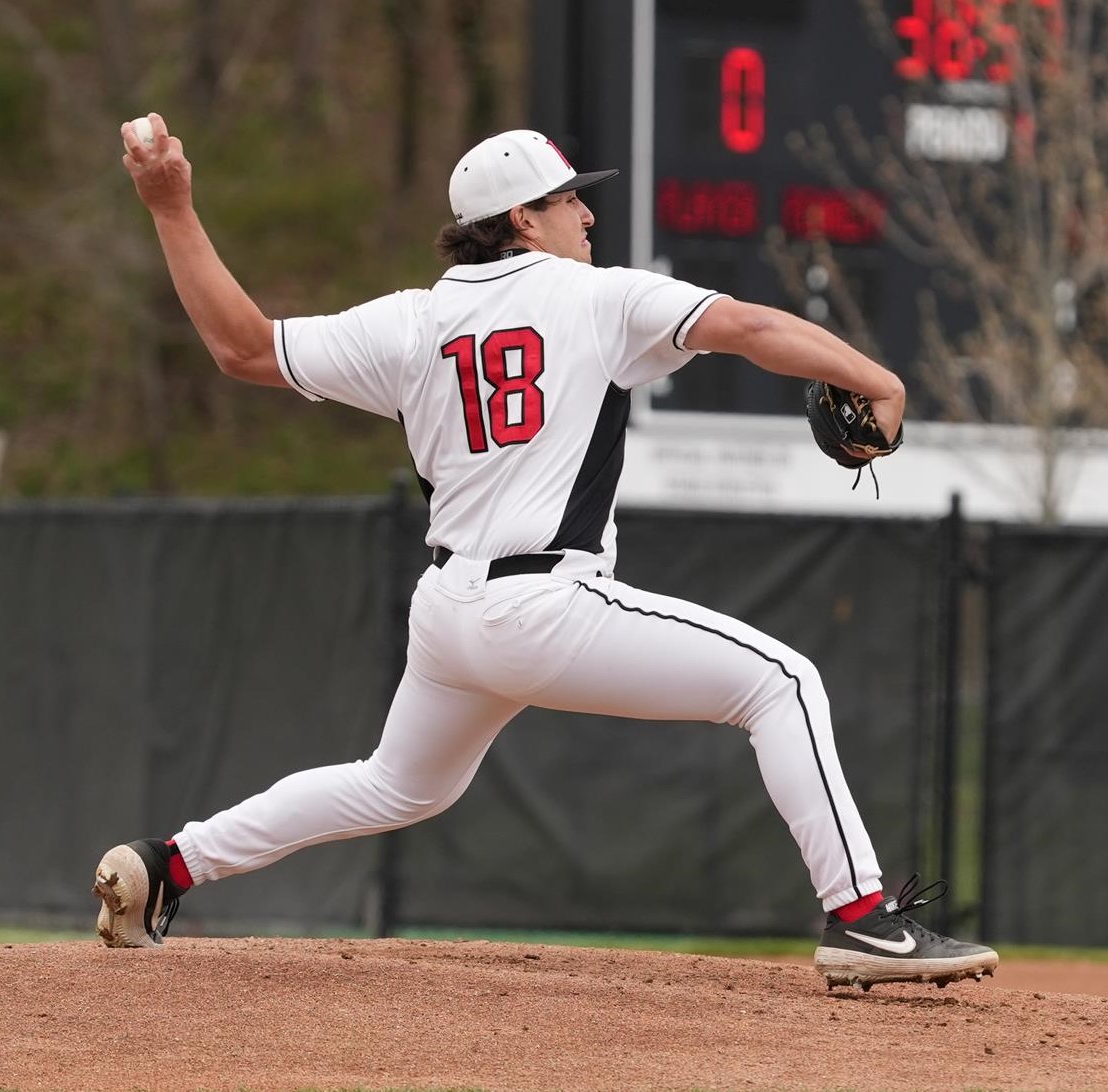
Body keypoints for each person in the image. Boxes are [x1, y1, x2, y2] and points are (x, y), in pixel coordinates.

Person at [91, 115, 998, 990]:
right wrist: (874, 377)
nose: (588, 215)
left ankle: (169, 864)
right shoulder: (600, 296)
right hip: (545, 604)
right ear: (523, 219)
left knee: (398, 785)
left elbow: (242, 348)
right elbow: (754, 330)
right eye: (569, 199)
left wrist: (172, 207)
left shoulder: (414, 321)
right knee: (782, 682)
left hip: (449, 615)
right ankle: (862, 917)